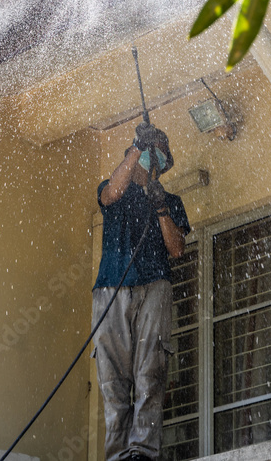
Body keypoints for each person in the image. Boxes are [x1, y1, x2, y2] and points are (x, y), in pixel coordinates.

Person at [93, 122, 190, 461]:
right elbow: (111, 194)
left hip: (154, 287)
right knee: (112, 376)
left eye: (158, 156)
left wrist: (161, 206)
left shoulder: (171, 200)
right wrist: (138, 146)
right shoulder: (114, 187)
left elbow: (176, 248)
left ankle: (143, 452)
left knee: (150, 369)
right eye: (151, 152)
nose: (154, 161)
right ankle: (119, 454)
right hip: (112, 287)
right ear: (132, 157)